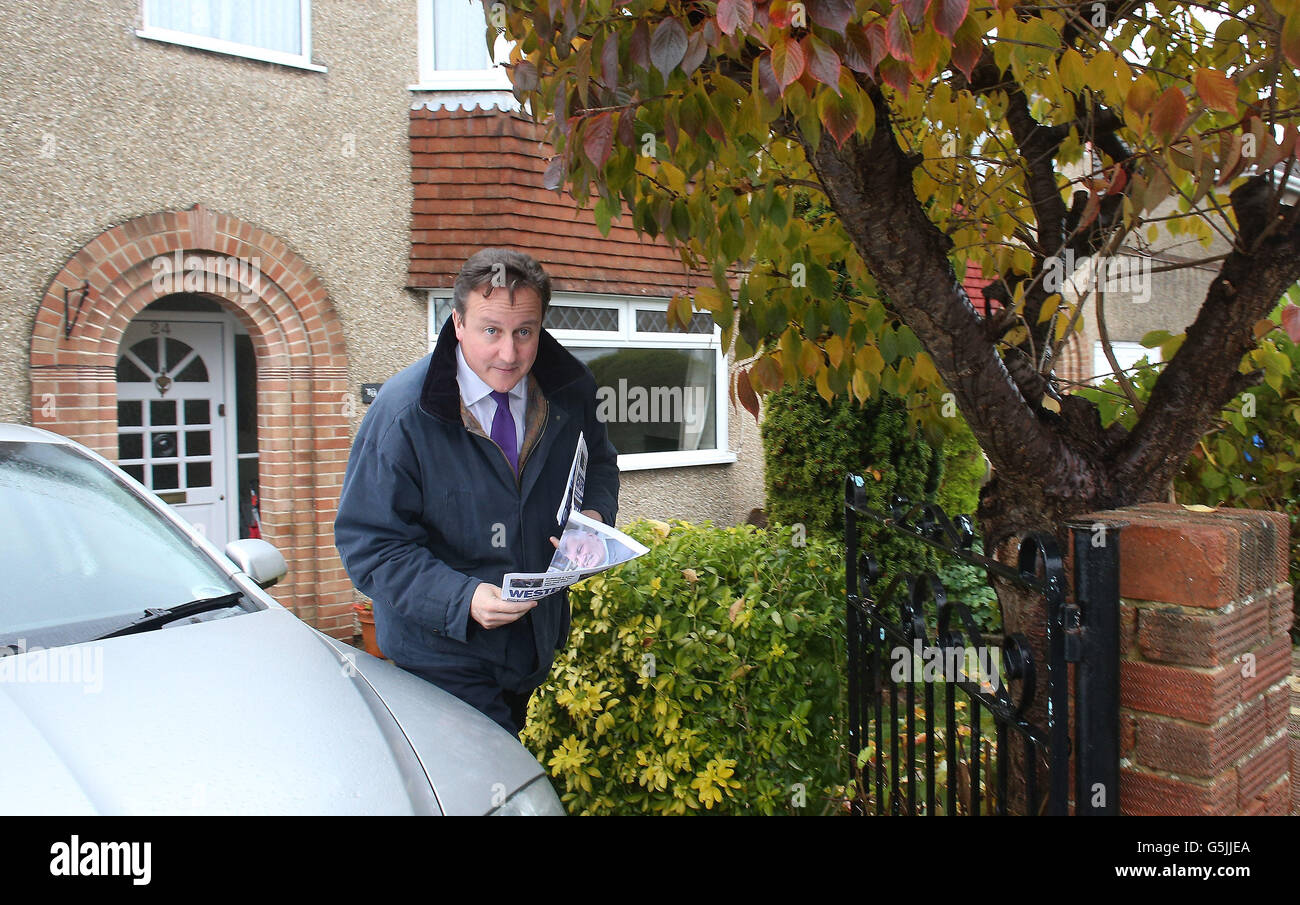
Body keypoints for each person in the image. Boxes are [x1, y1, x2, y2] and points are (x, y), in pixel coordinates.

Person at [334, 248, 619, 735]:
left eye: (524, 332)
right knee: (492, 785)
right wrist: (461, 599)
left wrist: (591, 519)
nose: (509, 354)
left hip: (531, 642)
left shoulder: (570, 389)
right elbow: (370, 545)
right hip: (441, 654)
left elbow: (600, 465)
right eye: (492, 331)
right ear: (457, 323)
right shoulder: (404, 412)